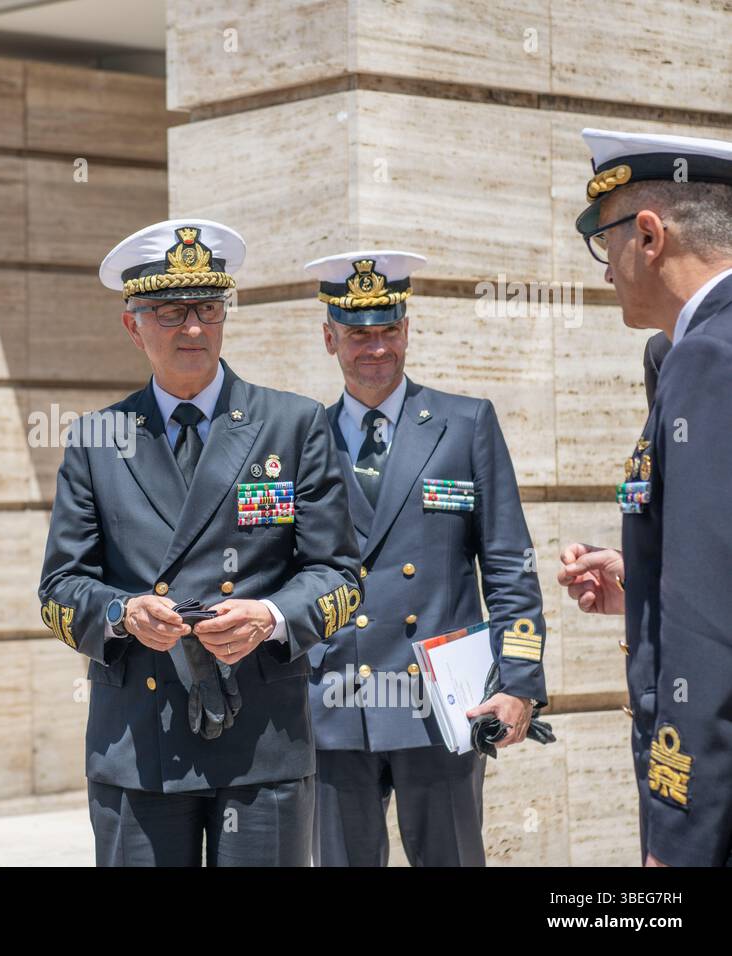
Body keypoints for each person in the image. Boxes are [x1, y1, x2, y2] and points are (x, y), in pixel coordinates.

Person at [38, 220, 361, 866]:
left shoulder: (292, 427)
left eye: (208, 309)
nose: (193, 328)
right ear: (133, 326)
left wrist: (270, 617)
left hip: (261, 741)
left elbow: (339, 577)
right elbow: (58, 590)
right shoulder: (97, 440)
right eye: (170, 312)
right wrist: (122, 614)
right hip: (140, 744)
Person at [302, 250, 548, 866]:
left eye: (388, 330)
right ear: (330, 338)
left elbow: (510, 563)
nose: (375, 348)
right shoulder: (301, 436)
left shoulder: (465, 424)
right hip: (335, 702)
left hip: (439, 705)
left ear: (408, 330)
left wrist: (519, 683)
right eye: (358, 333)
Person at [557, 128, 732, 868]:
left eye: (605, 244)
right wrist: (644, 585)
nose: (605, 275)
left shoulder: (707, 357)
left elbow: (706, 628)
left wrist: (678, 833)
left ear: (649, 235)